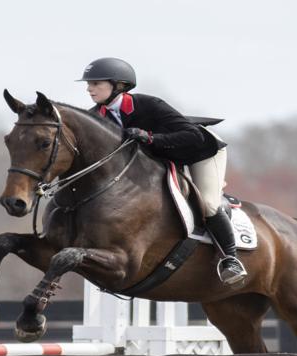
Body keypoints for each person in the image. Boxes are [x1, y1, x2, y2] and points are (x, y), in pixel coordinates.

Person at [78, 57, 247, 284]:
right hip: (162, 159)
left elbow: (192, 135)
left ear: (119, 85)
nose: (89, 89)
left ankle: (231, 259)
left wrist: (149, 137)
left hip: (200, 152)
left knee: (207, 204)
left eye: (96, 83)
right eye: (88, 84)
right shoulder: (95, 117)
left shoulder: (148, 105)